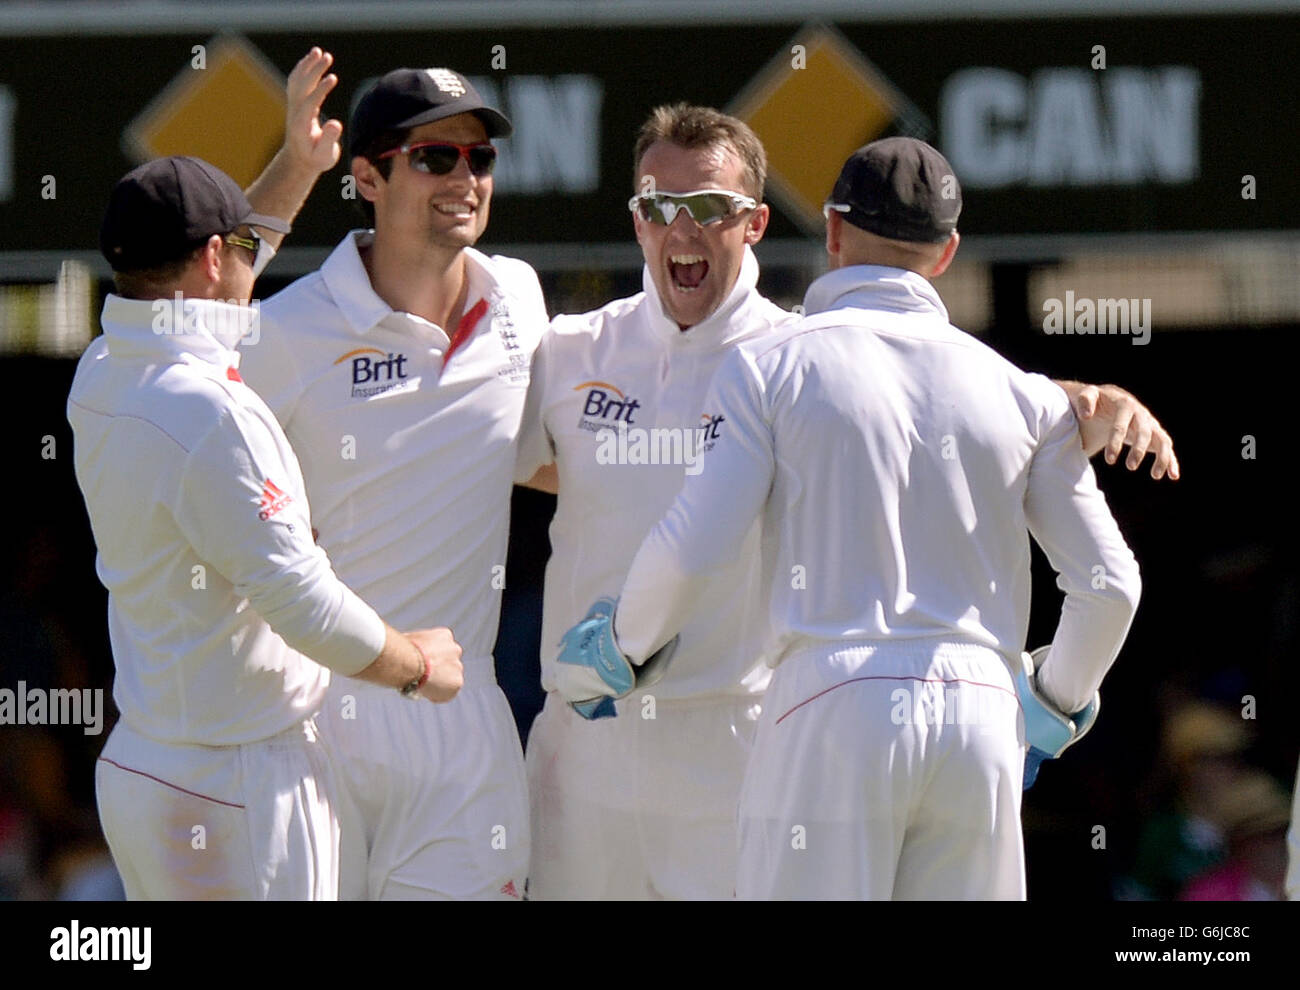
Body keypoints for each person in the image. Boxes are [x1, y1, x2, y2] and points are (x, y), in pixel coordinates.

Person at [519, 110, 1168, 900]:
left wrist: (615, 649)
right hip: (972, 714)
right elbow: (1111, 586)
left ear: (815, 230)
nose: (681, 228)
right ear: (949, 251)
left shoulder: (774, 361)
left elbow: (692, 548)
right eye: (658, 208)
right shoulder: (1016, 392)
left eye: (710, 208)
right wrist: (1050, 706)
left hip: (789, 718)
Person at [67, 147, 463, 899]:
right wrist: (417, 667)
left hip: (145, 766)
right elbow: (305, 609)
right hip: (237, 783)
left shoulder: (101, 368)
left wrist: (301, 163)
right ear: (213, 257)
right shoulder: (213, 415)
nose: (258, 256)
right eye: (244, 244)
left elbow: (222, 280)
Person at [240, 67, 545, 900]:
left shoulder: (519, 295)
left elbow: (554, 455)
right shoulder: (284, 330)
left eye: (479, 159)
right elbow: (192, 321)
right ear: (367, 178)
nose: (464, 180)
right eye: (435, 157)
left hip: (464, 714)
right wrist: (295, 166)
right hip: (312, 720)